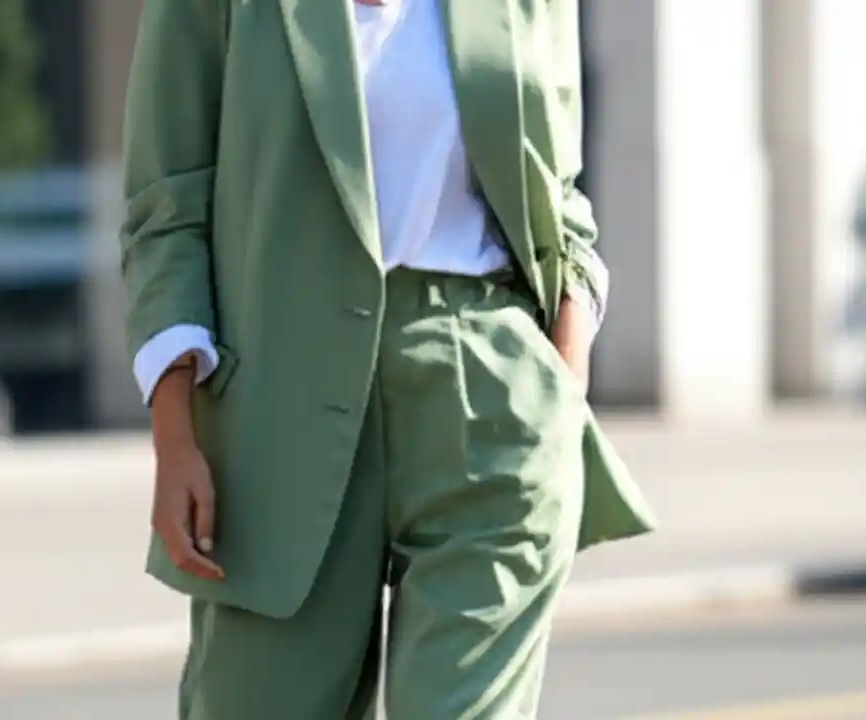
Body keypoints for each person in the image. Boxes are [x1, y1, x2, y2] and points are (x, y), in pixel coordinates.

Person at [119, 0, 656, 716]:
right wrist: (175, 432)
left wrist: (561, 380)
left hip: (490, 399)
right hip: (277, 411)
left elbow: (558, 201)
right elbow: (167, 208)